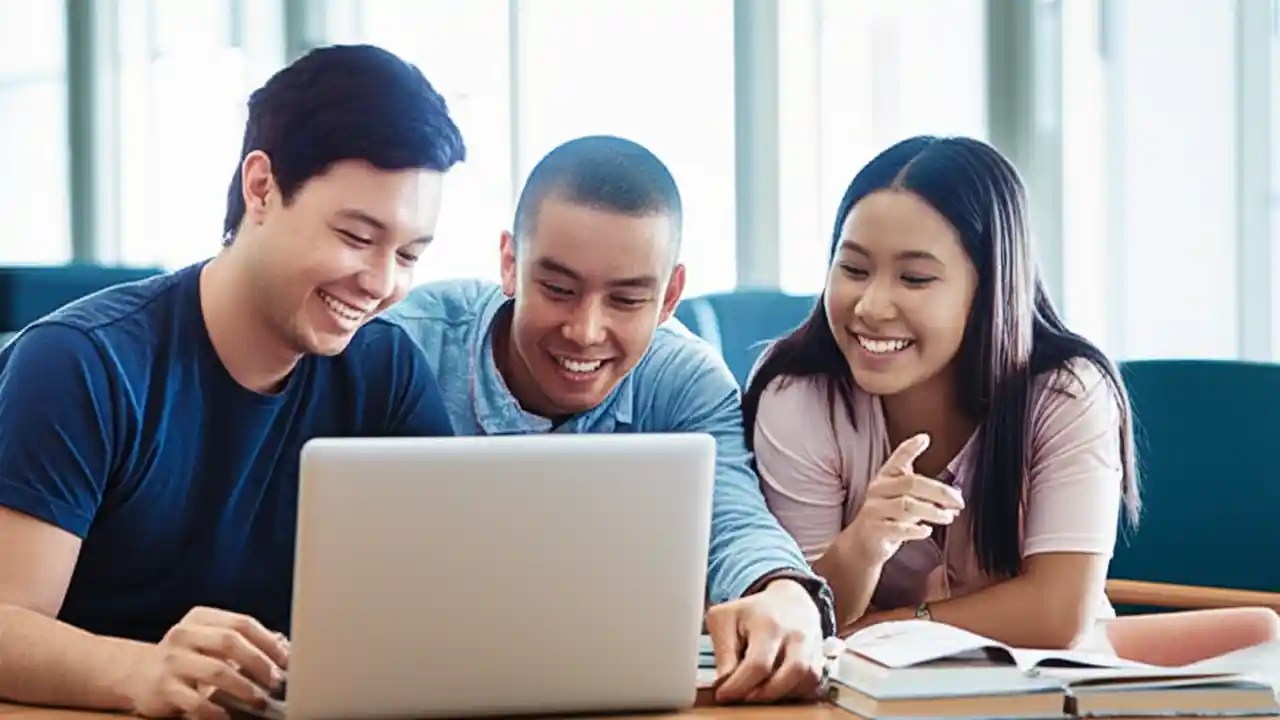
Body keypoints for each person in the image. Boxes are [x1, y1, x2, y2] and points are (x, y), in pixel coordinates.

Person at [0, 44, 465, 717]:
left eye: (409, 255)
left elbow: (446, 599)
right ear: (261, 188)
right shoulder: (80, 363)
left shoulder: (385, 371)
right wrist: (140, 669)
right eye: (357, 237)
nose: (382, 283)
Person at [742, 135, 1280, 664]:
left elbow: (1056, 617)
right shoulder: (799, 393)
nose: (872, 305)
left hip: (1053, 685)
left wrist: (897, 626)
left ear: (991, 287)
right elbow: (801, 616)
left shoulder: (1067, 393)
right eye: (854, 269)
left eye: (915, 278)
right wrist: (862, 547)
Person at [385, 134, 835, 704]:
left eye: (625, 300)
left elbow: (735, 518)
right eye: (557, 289)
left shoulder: (686, 380)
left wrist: (783, 589)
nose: (585, 330)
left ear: (670, 296)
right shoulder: (403, 345)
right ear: (509, 263)